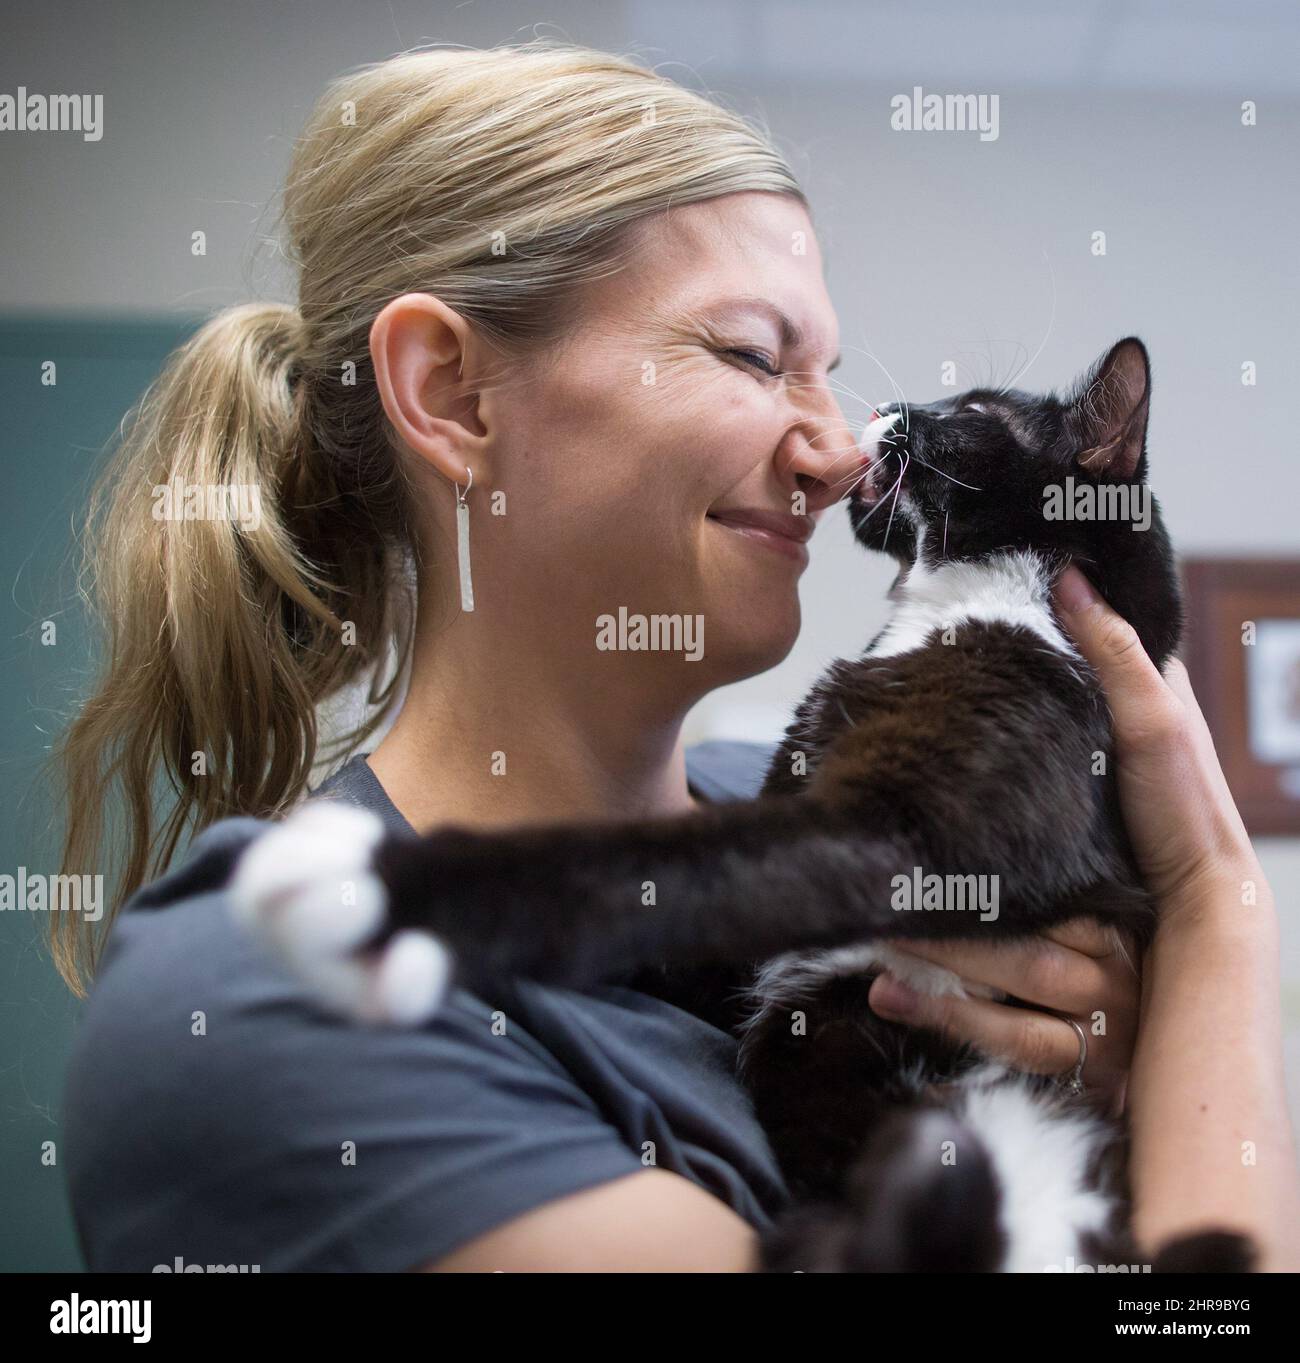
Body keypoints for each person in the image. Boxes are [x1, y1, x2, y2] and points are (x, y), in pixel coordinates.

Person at [53, 40, 1299, 1272]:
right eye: (753, 356)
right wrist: (1214, 916)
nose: (839, 454)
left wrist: (1125, 1087)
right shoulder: (272, 992)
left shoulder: (812, 787)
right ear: (453, 395)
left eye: (825, 375)